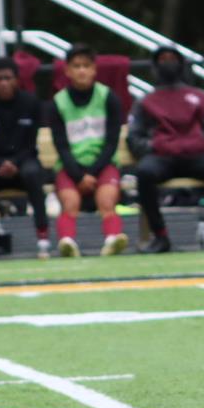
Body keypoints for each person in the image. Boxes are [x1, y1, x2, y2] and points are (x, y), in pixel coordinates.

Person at [130, 46, 204, 252]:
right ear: (155, 66)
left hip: (196, 154)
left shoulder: (200, 96)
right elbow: (134, 138)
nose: (167, 63)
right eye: (163, 59)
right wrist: (155, 146)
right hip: (163, 157)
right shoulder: (146, 101)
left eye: (172, 59)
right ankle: (160, 237)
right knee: (144, 173)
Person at [48, 44, 128, 256]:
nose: (81, 70)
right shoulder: (58, 102)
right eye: (76, 66)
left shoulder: (108, 97)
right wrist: (78, 174)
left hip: (102, 164)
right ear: (67, 71)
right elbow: (61, 145)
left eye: (86, 65)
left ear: (94, 69)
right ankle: (67, 242)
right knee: (70, 202)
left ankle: (112, 240)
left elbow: (111, 142)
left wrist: (92, 173)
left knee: (107, 200)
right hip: (71, 166)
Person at [0, 55, 51, 260]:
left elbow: (31, 144)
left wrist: (14, 163)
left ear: (16, 79)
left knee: (33, 172)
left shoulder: (31, 103)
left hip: (23, 162)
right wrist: (1, 164)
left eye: (8, 78)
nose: (4, 83)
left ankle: (43, 238)